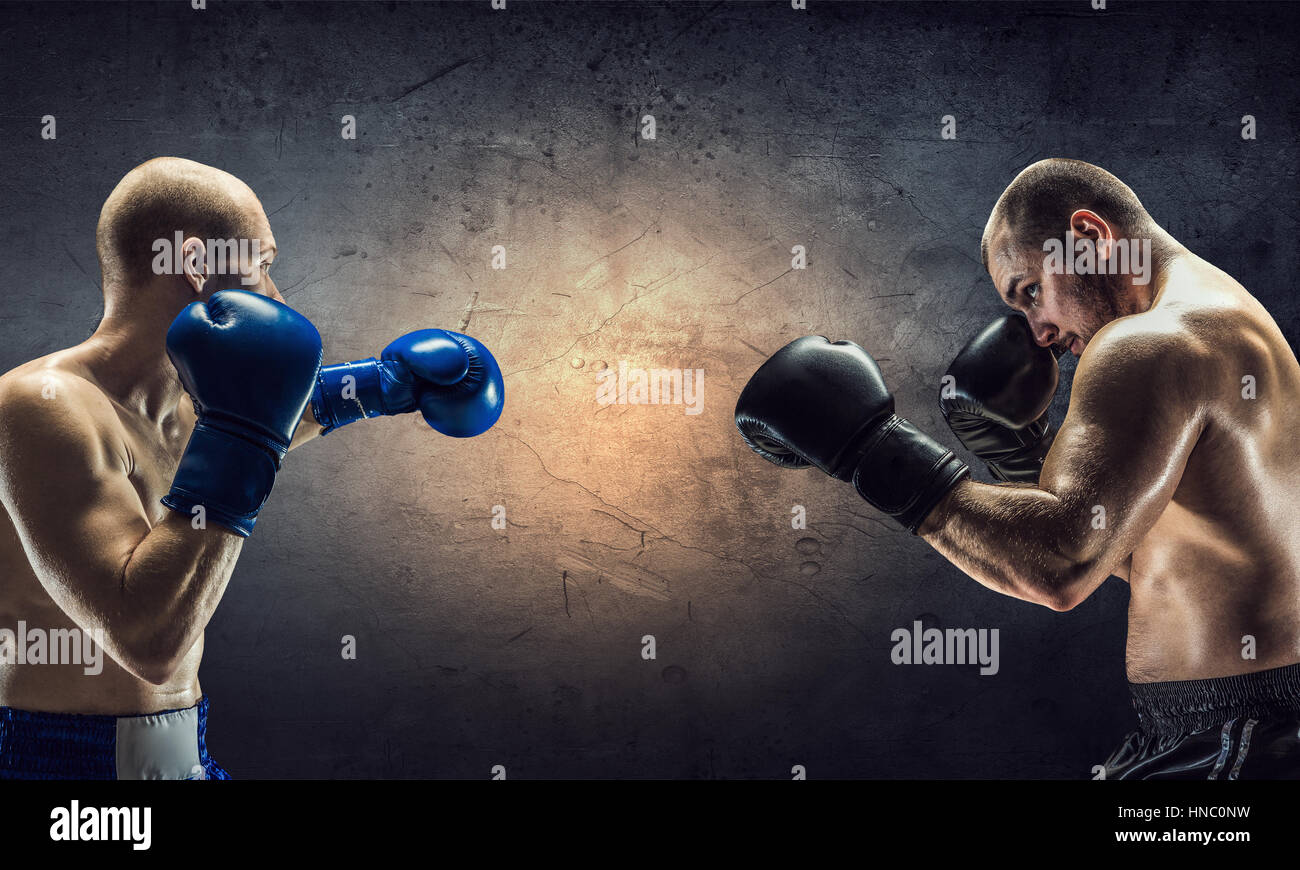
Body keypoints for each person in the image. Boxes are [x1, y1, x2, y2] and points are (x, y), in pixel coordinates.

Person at [736, 158, 1300, 779]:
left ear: (1087, 237)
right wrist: (1023, 462)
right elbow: (1179, 558)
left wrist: (871, 449)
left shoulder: (1149, 343)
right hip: (1247, 729)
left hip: (1233, 745)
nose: (1039, 331)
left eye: (1031, 290)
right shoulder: (1230, 317)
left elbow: (1061, 564)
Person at [0, 157, 503, 779]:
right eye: (263, 264)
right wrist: (244, 433)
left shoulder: (192, 407)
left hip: (188, 751)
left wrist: (387, 384)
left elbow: (279, 417)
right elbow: (146, 642)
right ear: (193, 264)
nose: (277, 294)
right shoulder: (42, 405)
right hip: (67, 772)